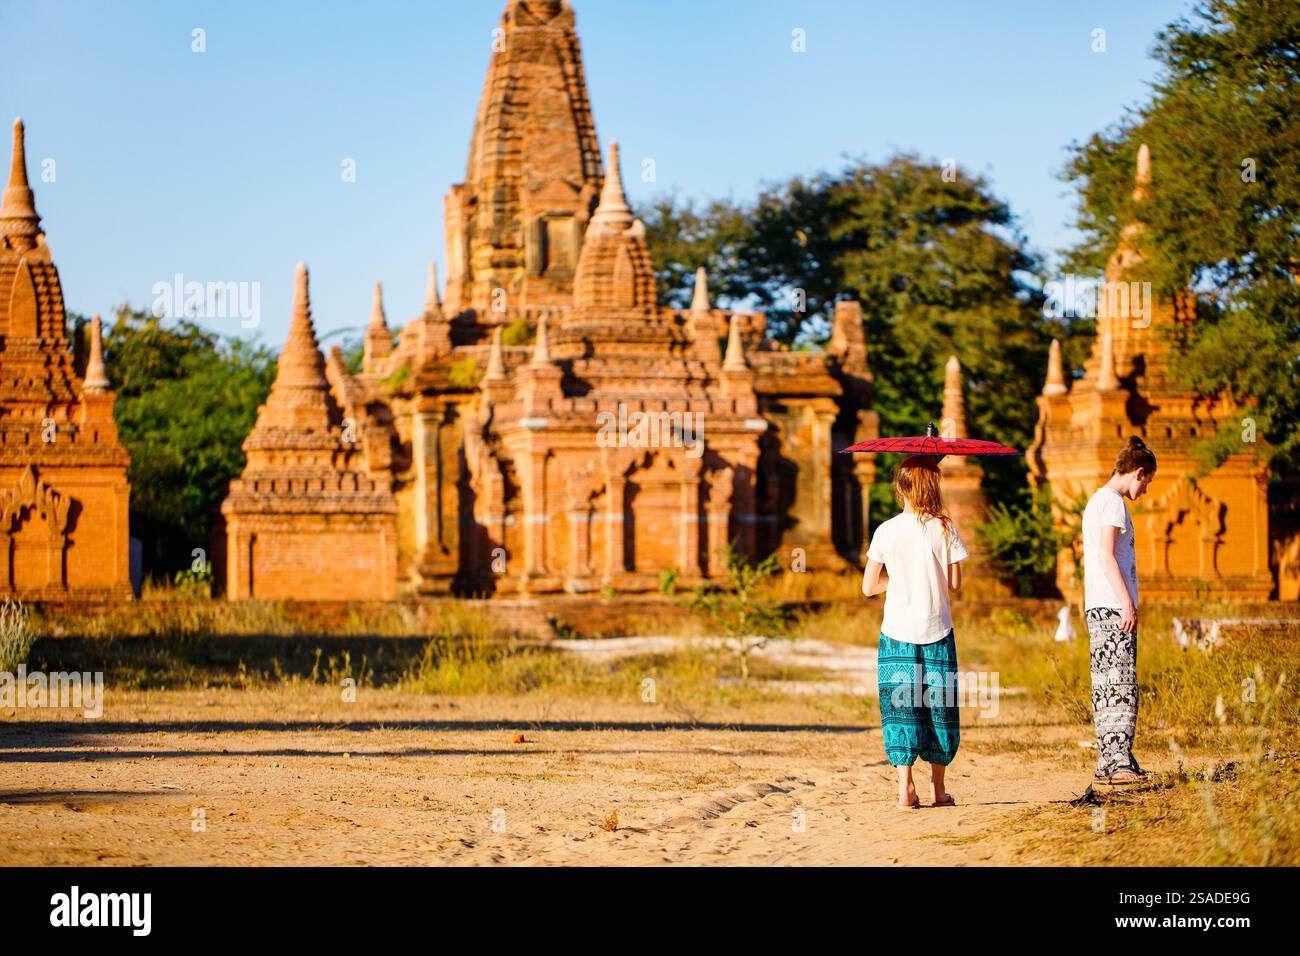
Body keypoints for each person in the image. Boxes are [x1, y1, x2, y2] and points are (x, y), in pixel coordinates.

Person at [862, 455, 968, 809]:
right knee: (940, 706)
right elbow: (954, 584)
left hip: (896, 632)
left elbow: (868, 586)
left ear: (900, 487)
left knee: (901, 707)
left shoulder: (886, 530)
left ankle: (905, 788)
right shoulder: (944, 527)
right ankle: (938, 789)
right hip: (937, 629)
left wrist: (899, 579)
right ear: (931, 487)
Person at [1081, 436, 1156, 784]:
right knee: (1120, 683)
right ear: (1138, 473)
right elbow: (1106, 554)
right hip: (1112, 606)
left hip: (1099, 604)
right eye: (1148, 482)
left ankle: (1109, 759)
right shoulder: (1111, 503)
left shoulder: (1097, 500)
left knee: (1107, 681)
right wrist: (1127, 601)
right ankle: (1118, 761)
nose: (1146, 490)